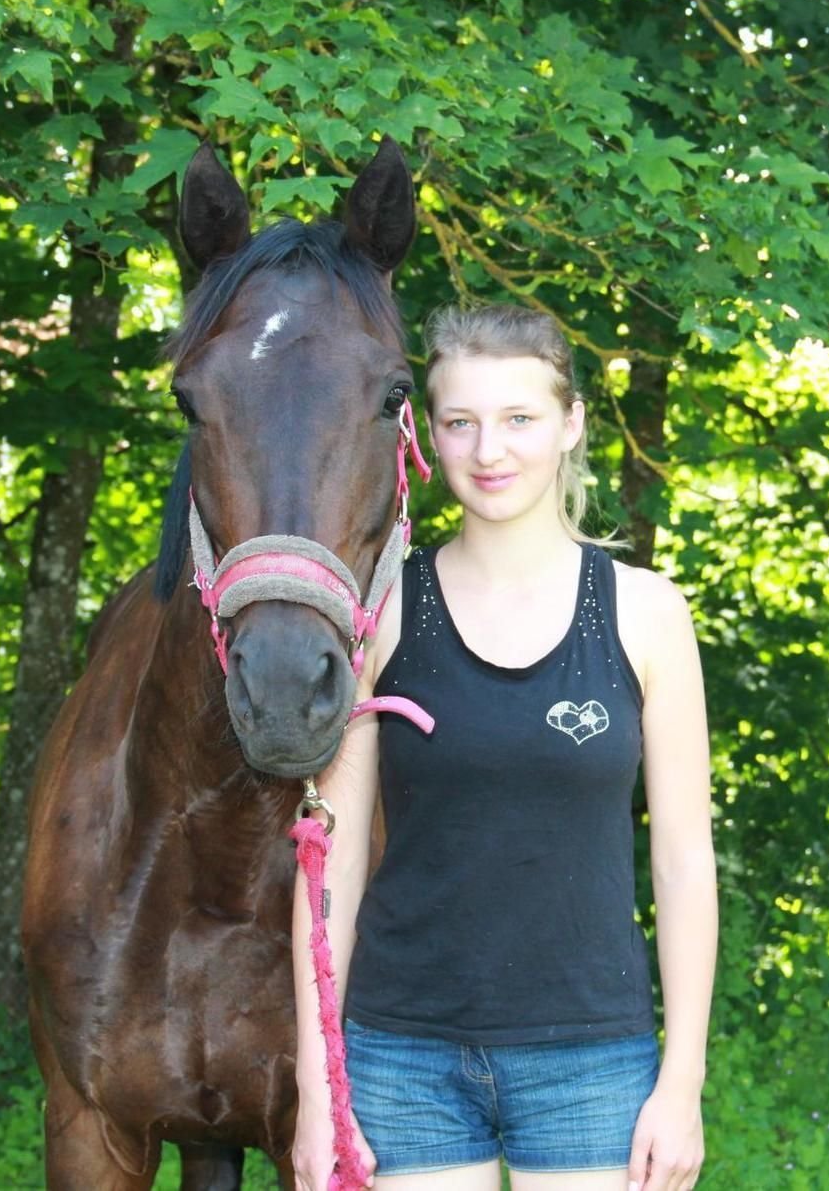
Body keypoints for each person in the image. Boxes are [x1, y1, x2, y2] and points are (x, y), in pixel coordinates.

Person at [290, 304, 718, 1191]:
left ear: (570, 424)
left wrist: (683, 1082)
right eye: (461, 422)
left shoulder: (645, 613)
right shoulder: (382, 613)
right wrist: (314, 1084)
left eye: (519, 418)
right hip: (403, 1056)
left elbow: (682, 863)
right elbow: (326, 870)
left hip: (592, 1061)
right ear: (428, 437)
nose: (490, 450)